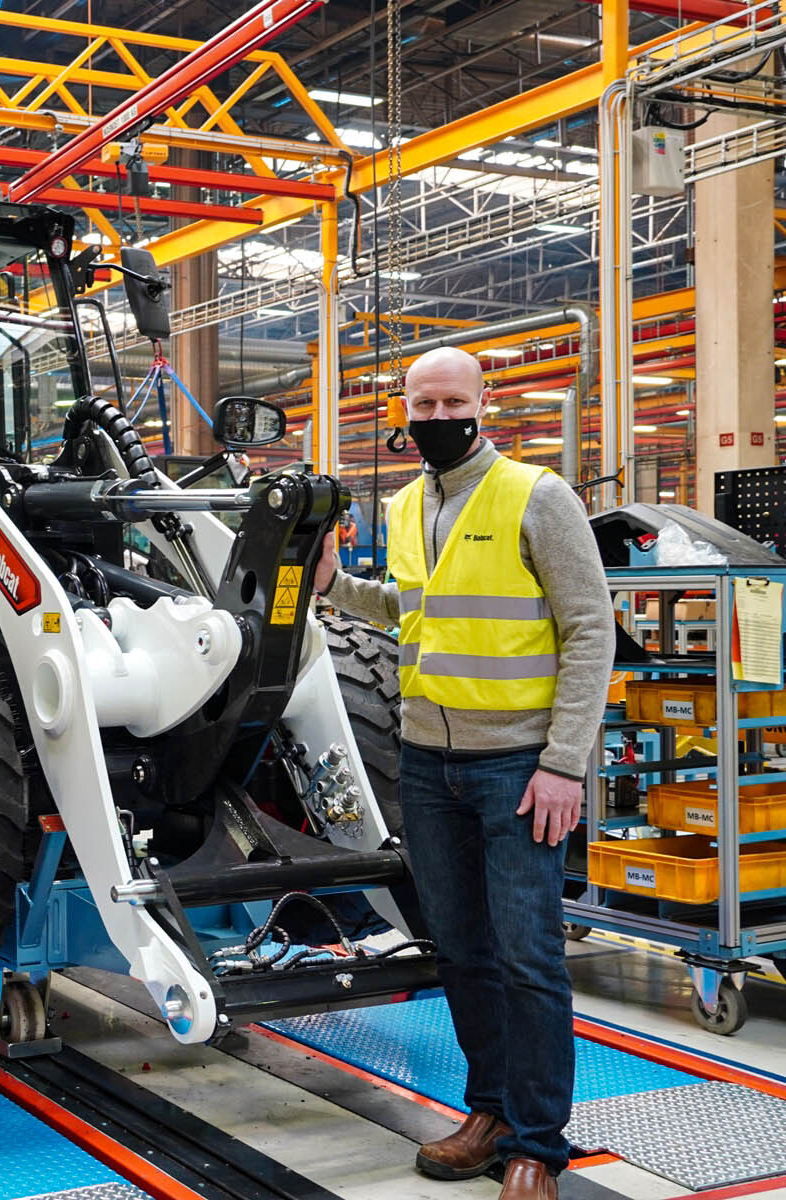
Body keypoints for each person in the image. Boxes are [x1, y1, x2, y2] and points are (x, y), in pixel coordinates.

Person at [313, 346, 611, 1200]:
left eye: (453, 402)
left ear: (484, 405)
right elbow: (415, 609)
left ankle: (537, 1144)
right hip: (429, 767)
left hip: (519, 769)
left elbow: (590, 631)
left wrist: (563, 763)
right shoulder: (406, 504)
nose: (437, 418)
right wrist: (338, 587)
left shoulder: (538, 497)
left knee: (529, 958)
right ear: (402, 410)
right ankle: (486, 1114)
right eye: (423, 404)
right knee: (464, 953)